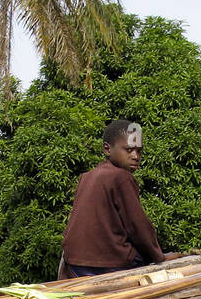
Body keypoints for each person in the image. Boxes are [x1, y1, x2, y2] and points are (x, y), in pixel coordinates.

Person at [58, 119, 165, 280]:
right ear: (107, 149)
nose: (135, 156)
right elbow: (138, 226)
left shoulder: (86, 177)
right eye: (129, 150)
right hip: (109, 264)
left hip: (75, 263)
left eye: (139, 151)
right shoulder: (121, 177)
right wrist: (158, 256)